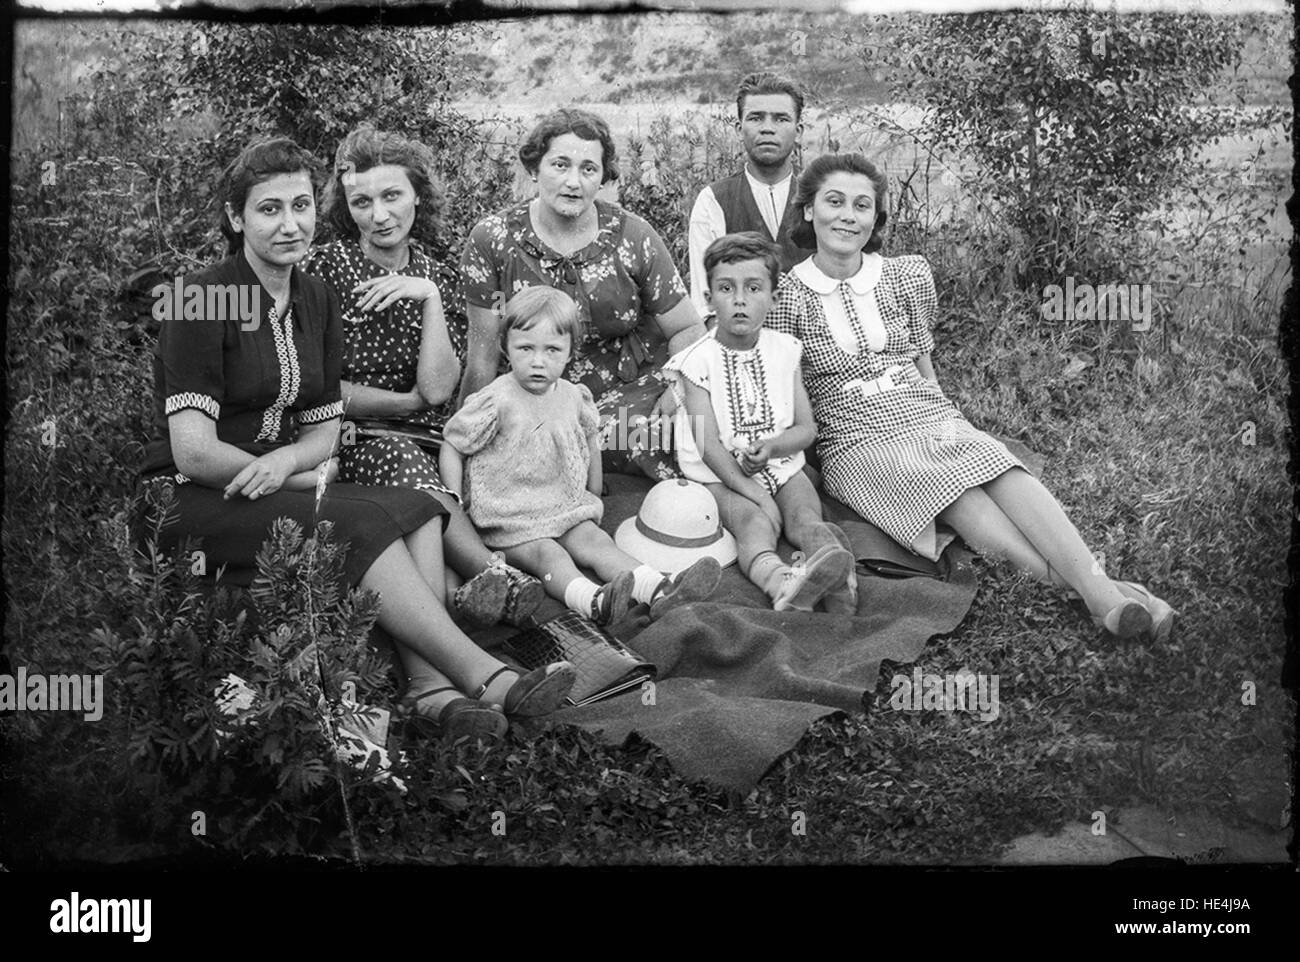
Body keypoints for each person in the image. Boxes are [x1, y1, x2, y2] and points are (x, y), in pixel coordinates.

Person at [139, 137, 575, 742]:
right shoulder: (201, 299)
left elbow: (322, 424)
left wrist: (292, 461)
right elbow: (193, 449)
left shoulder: (313, 297)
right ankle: (490, 678)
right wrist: (284, 475)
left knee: (421, 509)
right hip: (193, 495)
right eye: (269, 209)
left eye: (301, 206)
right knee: (369, 524)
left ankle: (431, 689)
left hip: (279, 479)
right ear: (236, 217)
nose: (290, 224)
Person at [765, 153, 1175, 641]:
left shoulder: (902, 276)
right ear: (809, 210)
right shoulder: (786, 295)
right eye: (834, 202)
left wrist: (946, 418)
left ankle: (1100, 595)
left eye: (862, 205)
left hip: (918, 405)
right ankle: (1101, 594)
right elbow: (785, 388)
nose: (848, 216)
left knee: (991, 461)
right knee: (948, 484)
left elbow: (921, 362)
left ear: (875, 218)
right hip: (852, 434)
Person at [304, 126, 543, 629]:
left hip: (432, 435)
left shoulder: (441, 278)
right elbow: (319, 389)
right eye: (361, 201)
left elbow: (438, 390)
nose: (379, 215)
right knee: (401, 460)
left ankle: (468, 601)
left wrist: (428, 297)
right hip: (358, 436)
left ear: (418, 195)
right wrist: (405, 405)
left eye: (392, 196)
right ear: (345, 206)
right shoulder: (322, 271)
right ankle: (495, 580)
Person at [440, 287, 722, 626]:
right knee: (550, 554)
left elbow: (590, 438)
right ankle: (591, 601)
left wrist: (593, 488)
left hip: (561, 502)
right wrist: (456, 502)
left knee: (595, 540)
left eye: (552, 350)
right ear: (506, 348)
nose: (538, 361)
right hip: (508, 513)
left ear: (570, 352)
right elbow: (454, 444)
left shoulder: (574, 396)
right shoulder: (496, 399)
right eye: (525, 348)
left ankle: (660, 590)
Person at [458, 108, 707, 480]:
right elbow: (482, 356)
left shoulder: (633, 235)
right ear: (534, 169)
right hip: (533, 389)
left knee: (674, 428)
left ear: (602, 177)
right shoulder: (492, 240)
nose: (573, 181)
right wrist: (466, 443)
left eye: (588, 169)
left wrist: (678, 388)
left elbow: (688, 329)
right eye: (560, 165)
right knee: (537, 442)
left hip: (627, 388)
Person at [667, 233, 856, 613]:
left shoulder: (784, 350)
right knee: (755, 522)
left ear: (774, 297)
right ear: (708, 298)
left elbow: (806, 430)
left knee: (804, 516)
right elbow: (708, 447)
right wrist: (753, 492)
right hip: (721, 476)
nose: (739, 299)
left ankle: (835, 575)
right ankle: (781, 583)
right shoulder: (695, 363)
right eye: (726, 288)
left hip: (780, 465)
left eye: (754, 288)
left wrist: (772, 448)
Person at [687, 72, 815, 320]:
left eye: (781, 119)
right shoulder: (714, 200)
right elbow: (707, 307)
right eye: (756, 118)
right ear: (739, 128)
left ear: (798, 131)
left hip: (814, 345)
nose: (768, 128)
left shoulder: (820, 196)